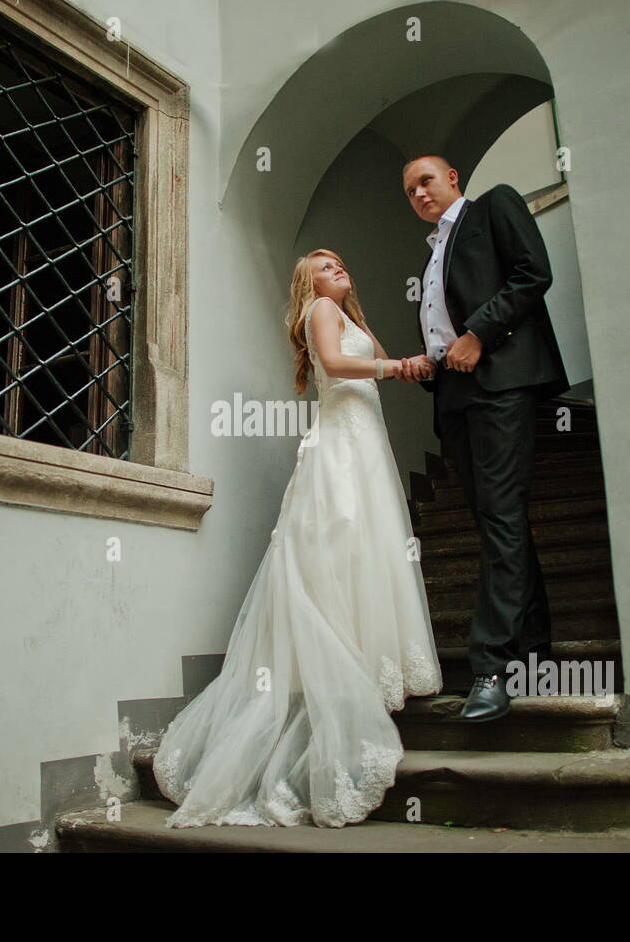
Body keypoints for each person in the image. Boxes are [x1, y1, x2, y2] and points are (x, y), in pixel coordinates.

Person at [153, 248, 443, 827]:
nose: (336, 268)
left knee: (371, 547)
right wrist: (395, 366)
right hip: (339, 448)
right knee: (338, 543)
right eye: (324, 265)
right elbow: (337, 367)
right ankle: (340, 670)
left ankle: (368, 658)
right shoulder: (319, 312)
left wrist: (413, 361)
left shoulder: (348, 316)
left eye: (340, 262)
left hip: (365, 443)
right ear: (305, 283)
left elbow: (385, 362)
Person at [399, 155, 570, 723]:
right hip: (452, 395)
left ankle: (491, 670)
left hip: (500, 381)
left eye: (426, 180)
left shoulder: (494, 204)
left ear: (452, 178)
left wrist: (477, 333)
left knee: (500, 515)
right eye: (409, 190)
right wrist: (432, 359)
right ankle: (537, 660)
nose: (419, 193)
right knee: (499, 520)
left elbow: (533, 273)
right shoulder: (428, 255)